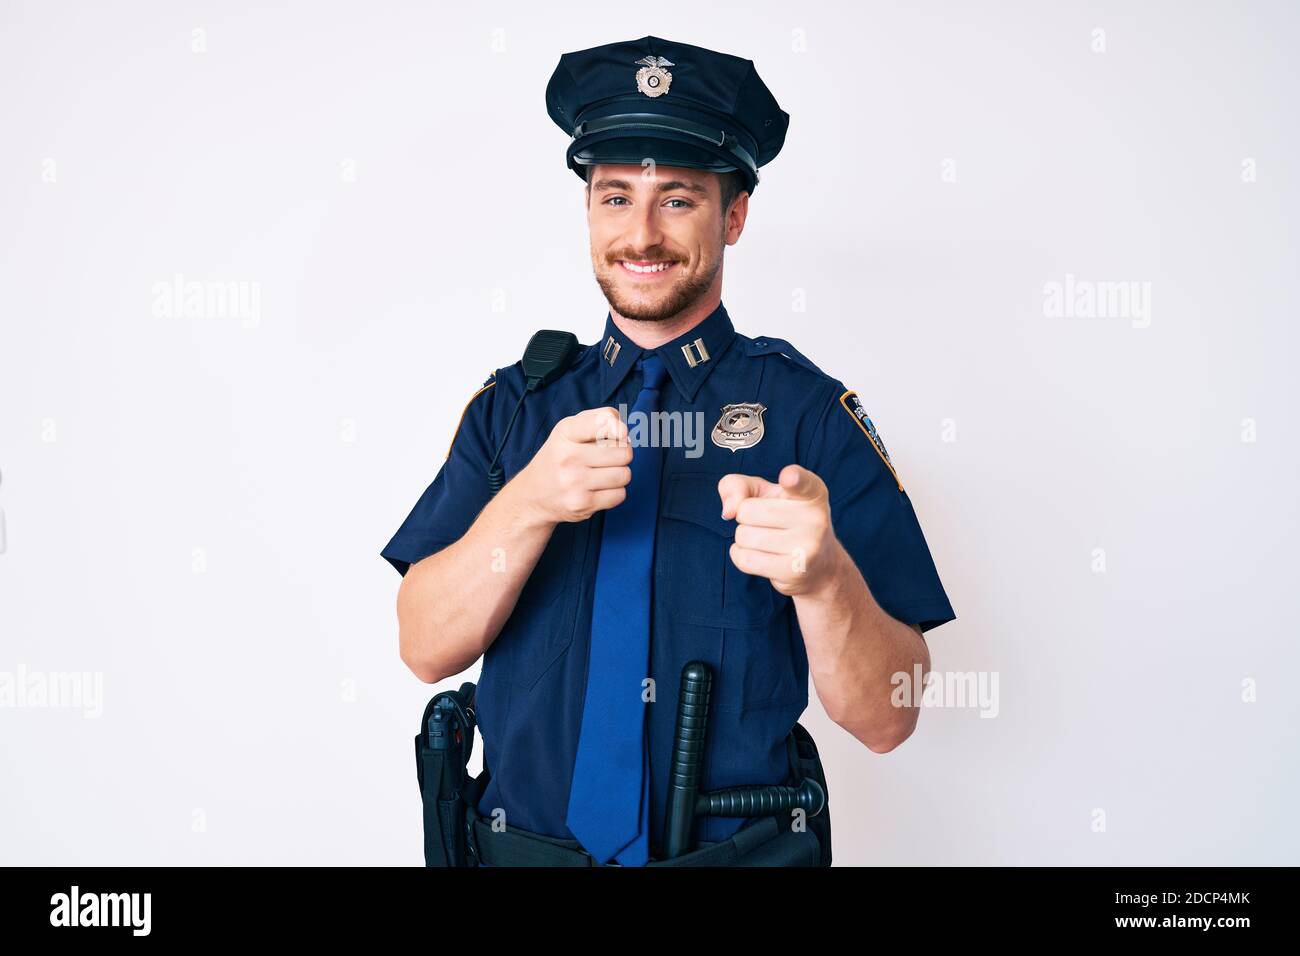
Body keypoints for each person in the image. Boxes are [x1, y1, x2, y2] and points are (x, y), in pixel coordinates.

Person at [382, 35, 956, 867]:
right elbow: (423, 646)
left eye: (678, 200)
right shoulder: (516, 407)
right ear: (588, 210)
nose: (641, 233)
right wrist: (529, 502)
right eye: (616, 197)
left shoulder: (811, 416)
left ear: (735, 215)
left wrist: (826, 580)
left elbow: (888, 717)